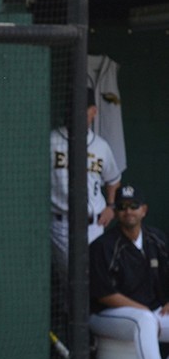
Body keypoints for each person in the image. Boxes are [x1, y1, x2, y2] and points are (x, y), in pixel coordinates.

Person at [89, 183, 169, 359]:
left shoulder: (156, 239)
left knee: (145, 319)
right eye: (122, 207)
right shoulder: (104, 245)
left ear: (143, 210)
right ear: (117, 212)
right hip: (105, 317)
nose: (128, 211)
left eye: (134, 206)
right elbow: (104, 295)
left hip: (149, 313)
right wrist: (143, 310)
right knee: (143, 319)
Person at [51, 88, 122, 259]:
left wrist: (111, 206)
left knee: (95, 276)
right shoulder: (51, 141)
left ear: (94, 111)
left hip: (94, 225)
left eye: (83, 109)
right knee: (75, 280)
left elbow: (113, 179)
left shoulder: (101, 146)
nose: (77, 114)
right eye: (73, 109)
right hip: (60, 225)